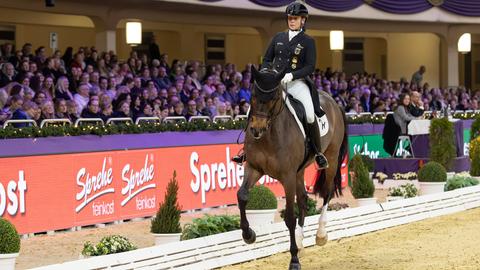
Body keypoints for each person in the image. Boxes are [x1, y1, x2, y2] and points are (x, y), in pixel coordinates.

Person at [232, 1, 328, 169]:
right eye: (290, 18)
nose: (292, 21)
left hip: (297, 84)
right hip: (275, 83)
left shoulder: (308, 41)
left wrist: (292, 75)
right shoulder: (278, 38)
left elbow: (310, 66)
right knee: (251, 110)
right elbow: (267, 59)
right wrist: (268, 73)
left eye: (295, 18)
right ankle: (246, 150)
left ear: (303, 20)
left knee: (310, 114)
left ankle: (317, 152)